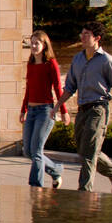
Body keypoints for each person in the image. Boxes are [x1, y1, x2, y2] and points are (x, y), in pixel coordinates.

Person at [55, 22, 112, 193]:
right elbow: (69, 87)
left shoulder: (107, 60)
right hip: (82, 109)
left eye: (86, 34)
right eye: (81, 33)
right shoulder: (78, 59)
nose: (82, 37)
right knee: (84, 151)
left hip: (98, 109)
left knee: (89, 151)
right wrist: (58, 106)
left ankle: (84, 191)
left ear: (97, 38)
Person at [19, 30, 68, 189]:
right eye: (32, 43)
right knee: (28, 151)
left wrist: (63, 111)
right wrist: (23, 109)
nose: (33, 46)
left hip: (45, 111)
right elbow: (29, 88)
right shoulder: (31, 63)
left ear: (44, 45)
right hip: (31, 111)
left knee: (37, 150)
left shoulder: (50, 64)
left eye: (37, 43)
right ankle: (56, 170)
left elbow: (58, 89)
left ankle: (35, 186)